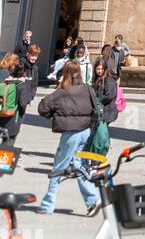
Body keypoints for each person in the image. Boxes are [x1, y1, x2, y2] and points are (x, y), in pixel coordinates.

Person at [36, 61, 100, 216]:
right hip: (85, 130)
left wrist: (56, 115)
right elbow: (95, 107)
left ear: (65, 73)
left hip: (71, 132)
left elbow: (42, 108)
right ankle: (92, 199)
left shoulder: (61, 91)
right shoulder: (87, 89)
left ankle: (47, 204)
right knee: (79, 165)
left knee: (59, 167)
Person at [92, 57, 118, 130]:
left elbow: (109, 95)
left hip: (107, 111)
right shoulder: (97, 79)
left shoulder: (109, 79)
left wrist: (96, 101)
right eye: (98, 69)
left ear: (105, 69)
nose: (100, 71)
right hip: (100, 111)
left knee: (101, 134)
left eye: (101, 69)